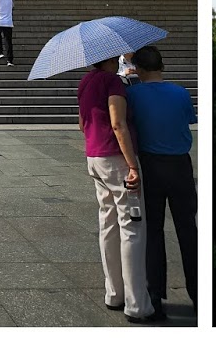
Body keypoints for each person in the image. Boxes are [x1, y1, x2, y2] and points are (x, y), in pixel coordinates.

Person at [78, 54, 155, 322]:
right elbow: (117, 123)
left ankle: (113, 292)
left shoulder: (85, 82)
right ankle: (137, 304)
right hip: (117, 159)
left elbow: (81, 124)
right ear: (111, 59)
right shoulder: (113, 82)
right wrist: (132, 165)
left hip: (94, 157)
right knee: (132, 227)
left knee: (108, 224)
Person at [126, 45, 197, 315]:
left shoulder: (133, 95)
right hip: (180, 165)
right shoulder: (180, 92)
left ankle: (155, 293)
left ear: (139, 70)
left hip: (150, 165)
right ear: (162, 67)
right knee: (188, 230)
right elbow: (188, 119)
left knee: (153, 231)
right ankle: (199, 293)